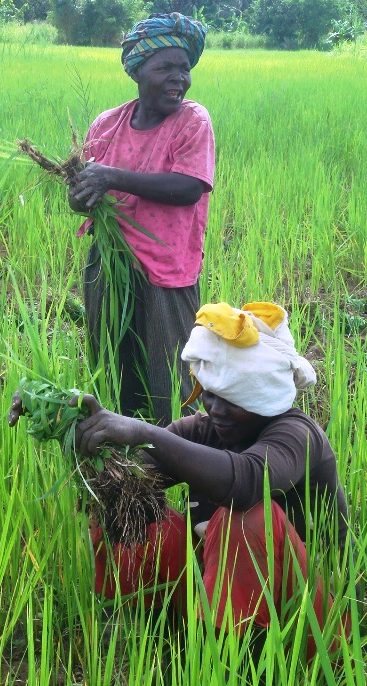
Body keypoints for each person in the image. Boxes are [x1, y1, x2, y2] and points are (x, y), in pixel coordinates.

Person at [9, 301, 353, 661]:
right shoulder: (202, 432)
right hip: (221, 601)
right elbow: (119, 482)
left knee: (246, 516)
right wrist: (67, 421)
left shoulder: (296, 433)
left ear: (262, 396)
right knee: (121, 503)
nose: (214, 408)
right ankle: (159, 638)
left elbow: (248, 482)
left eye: (231, 398)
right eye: (208, 393)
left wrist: (142, 430)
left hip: (307, 618)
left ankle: (229, 675)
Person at [68, 12, 215, 426]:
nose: (179, 78)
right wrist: (82, 196)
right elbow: (87, 196)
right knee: (114, 369)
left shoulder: (192, 121)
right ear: (138, 70)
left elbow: (189, 186)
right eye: (165, 67)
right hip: (110, 265)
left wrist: (112, 176)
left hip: (167, 271)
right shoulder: (107, 124)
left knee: (174, 381)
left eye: (184, 68)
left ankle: (185, 472)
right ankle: (126, 467)